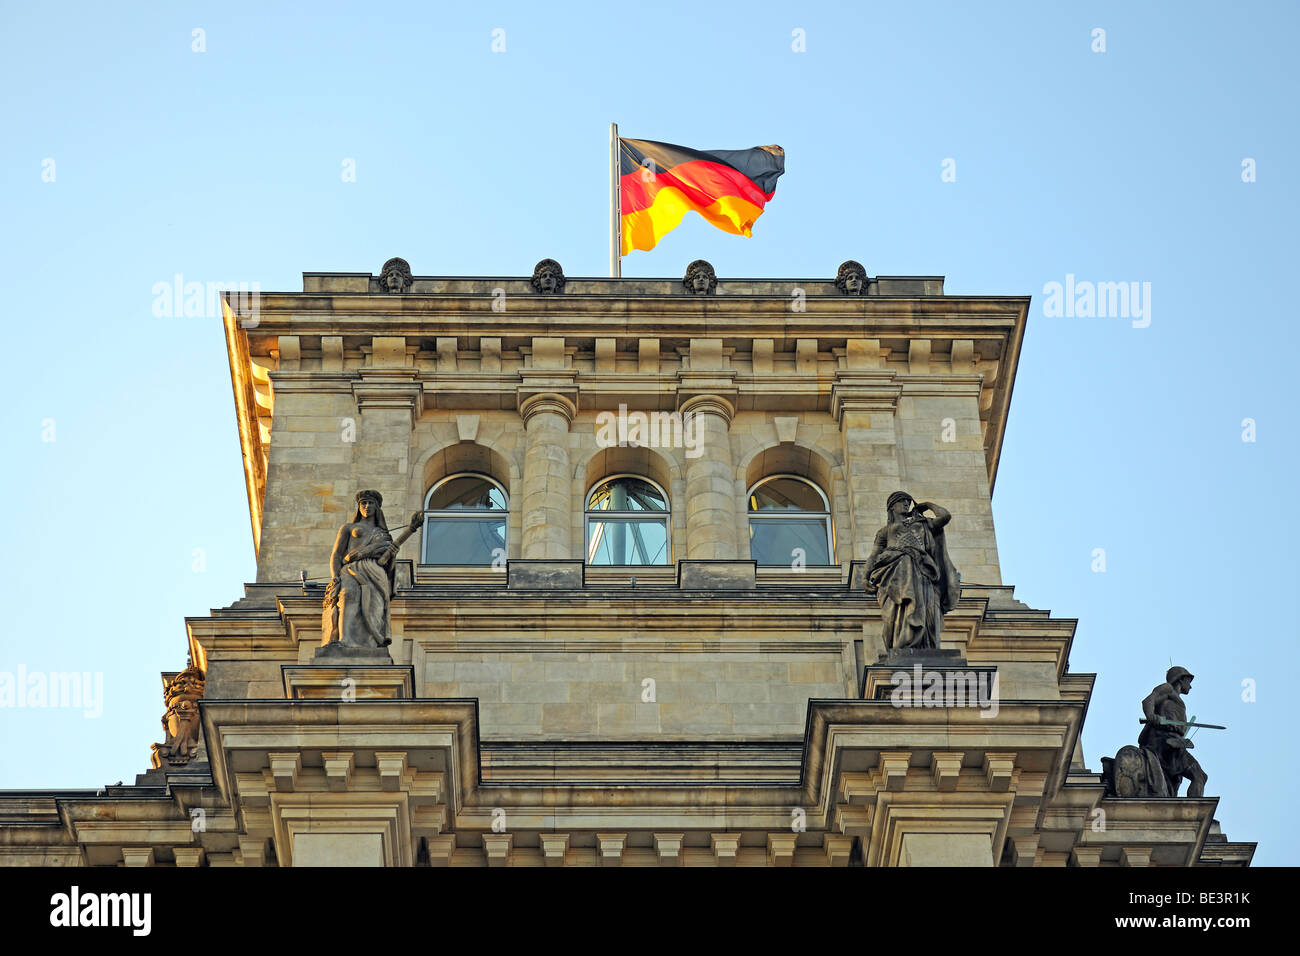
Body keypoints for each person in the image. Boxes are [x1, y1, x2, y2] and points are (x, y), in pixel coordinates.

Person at [324, 490, 421, 649]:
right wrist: (335, 575)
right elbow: (336, 554)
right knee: (348, 597)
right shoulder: (348, 528)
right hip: (351, 570)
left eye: (371, 503)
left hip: (375, 572)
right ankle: (344, 640)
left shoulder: (383, 535)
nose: (367, 506)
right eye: (364, 503)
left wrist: (412, 528)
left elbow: (389, 560)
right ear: (359, 507)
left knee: (374, 606)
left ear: (377, 507)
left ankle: (371, 643)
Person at [865, 491, 960, 651]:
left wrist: (928, 505)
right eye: (902, 501)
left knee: (923, 608)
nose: (906, 504)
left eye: (908, 501)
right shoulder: (885, 531)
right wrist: (864, 577)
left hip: (921, 570)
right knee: (895, 613)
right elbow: (874, 556)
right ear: (892, 506)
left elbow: (945, 517)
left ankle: (920, 644)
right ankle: (900, 642)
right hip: (894, 572)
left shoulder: (923, 524)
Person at [1139, 666, 1208, 797]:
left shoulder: (1177, 699)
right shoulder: (1168, 689)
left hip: (1174, 743)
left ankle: (1191, 812)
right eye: (1189, 681)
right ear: (1180, 680)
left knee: (1200, 777)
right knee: (1199, 775)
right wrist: (1151, 716)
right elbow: (1148, 700)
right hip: (1164, 742)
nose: (1190, 686)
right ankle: (1193, 813)